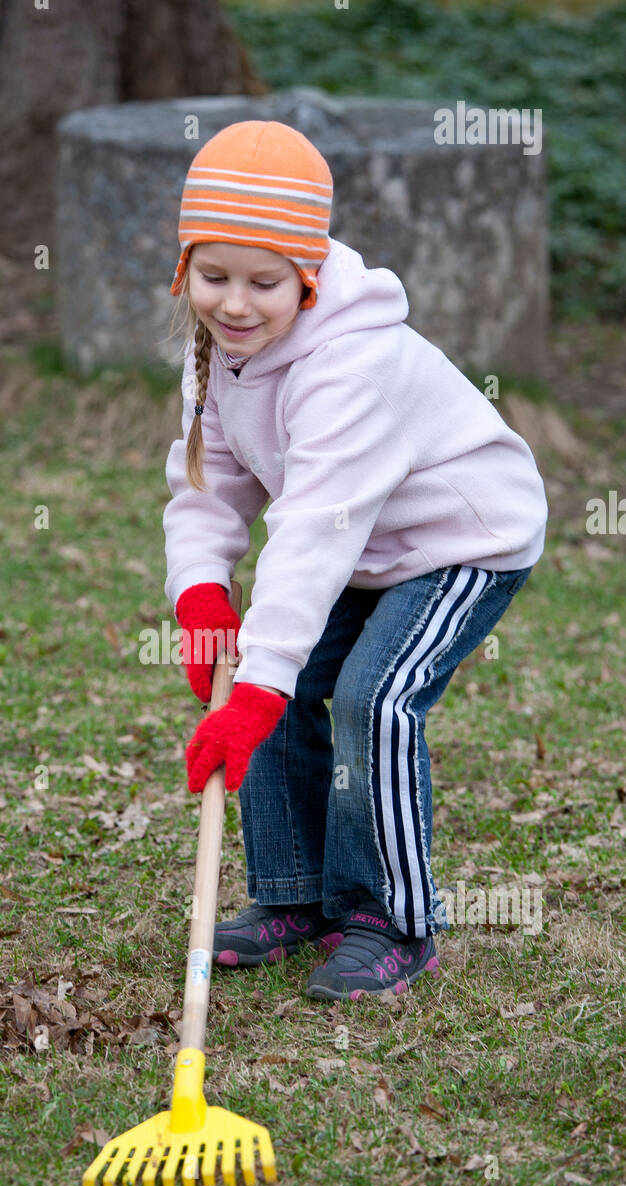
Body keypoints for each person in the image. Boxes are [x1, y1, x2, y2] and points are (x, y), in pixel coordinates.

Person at [162, 121, 547, 1001]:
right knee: (282, 680)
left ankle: (391, 919)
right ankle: (295, 898)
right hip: (357, 547)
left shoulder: (352, 364)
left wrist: (256, 684)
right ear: (186, 271)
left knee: (374, 698)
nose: (236, 304)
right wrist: (202, 596)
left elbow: (312, 527)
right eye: (214, 278)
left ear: (307, 278)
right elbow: (207, 484)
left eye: (265, 283)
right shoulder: (216, 352)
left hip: (459, 545)